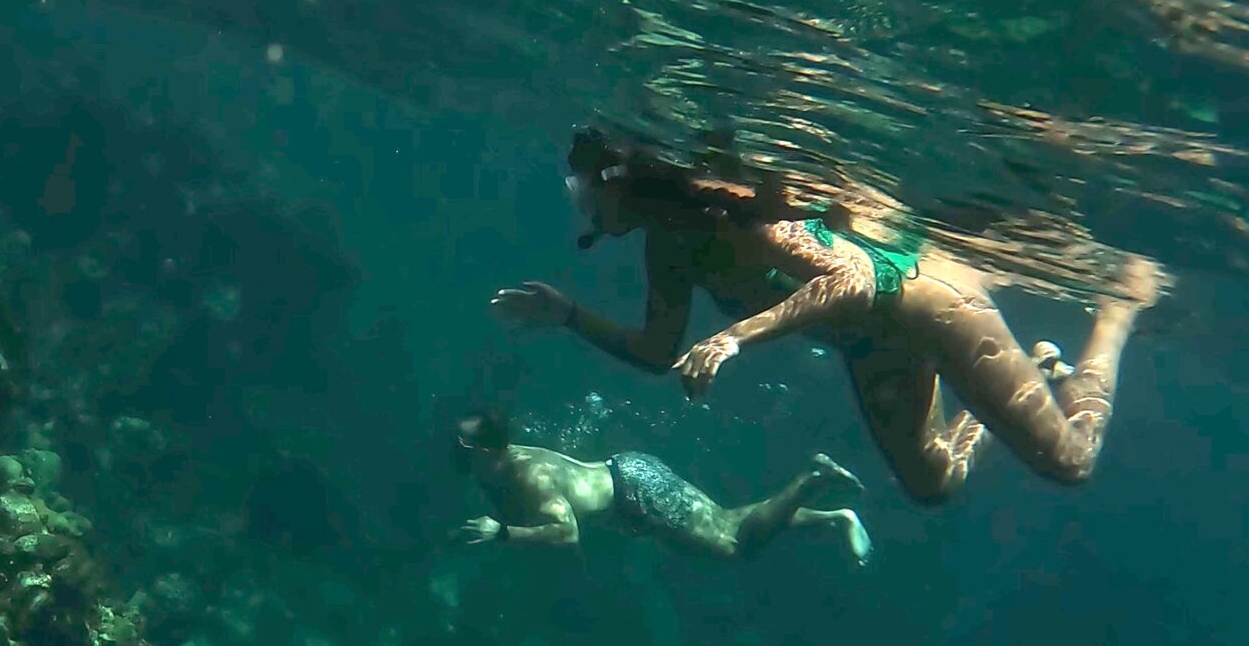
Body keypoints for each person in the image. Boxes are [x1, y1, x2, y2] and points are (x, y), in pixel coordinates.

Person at [490, 131, 1161, 502]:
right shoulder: (668, 251)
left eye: (587, 195)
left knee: (1070, 462)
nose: (582, 210)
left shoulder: (741, 216)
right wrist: (569, 315)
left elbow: (859, 276)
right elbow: (659, 350)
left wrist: (734, 337)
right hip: (871, 347)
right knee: (933, 483)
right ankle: (1040, 365)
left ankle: (1117, 312)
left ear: (624, 188)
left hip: (934, 308)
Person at [455, 412, 873, 567]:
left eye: (463, 446)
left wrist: (503, 533)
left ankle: (812, 481)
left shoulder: (530, 476)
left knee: (731, 545)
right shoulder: (507, 461)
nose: (455, 451)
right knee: (728, 520)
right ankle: (835, 519)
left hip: (636, 492)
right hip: (631, 475)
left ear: (488, 450)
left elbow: (566, 533)